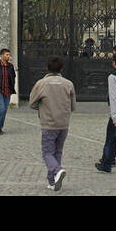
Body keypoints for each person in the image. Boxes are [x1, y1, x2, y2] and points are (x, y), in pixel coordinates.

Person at [28, 56, 77, 191]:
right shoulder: (68, 84)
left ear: (47, 68)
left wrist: (43, 107)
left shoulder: (41, 84)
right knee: (58, 152)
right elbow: (73, 106)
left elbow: (31, 103)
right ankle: (52, 181)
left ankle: (57, 170)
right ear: (61, 69)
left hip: (48, 123)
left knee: (47, 152)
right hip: (64, 124)